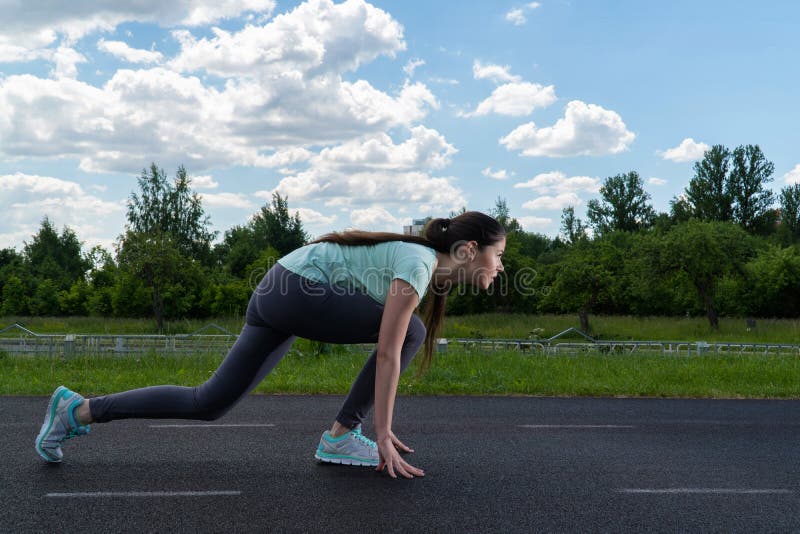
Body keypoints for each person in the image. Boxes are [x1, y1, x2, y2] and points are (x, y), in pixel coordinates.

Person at [35, 211, 506, 479]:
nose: (501, 265)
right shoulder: (420, 263)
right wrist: (382, 435)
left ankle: (78, 411)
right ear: (467, 251)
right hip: (297, 289)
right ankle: (342, 436)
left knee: (209, 402)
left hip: (282, 291)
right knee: (412, 333)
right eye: (498, 255)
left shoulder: (419, 265)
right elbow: (388, 351)